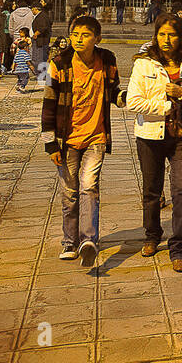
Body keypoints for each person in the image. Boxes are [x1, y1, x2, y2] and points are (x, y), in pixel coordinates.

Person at [127, 15, 182, 272]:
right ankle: (152, 235)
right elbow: (133, 101)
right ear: (156, 35)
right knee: (152, 192)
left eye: (172, 35)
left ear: (181, 37)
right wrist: (166, 107)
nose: (167, 40)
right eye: (162, 34)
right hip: (150, 134)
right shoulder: (144, 63)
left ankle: (178, 247)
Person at [42, 15, 121, 268]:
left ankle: (89, 241)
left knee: (89, 186)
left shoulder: (107, 60)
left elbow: (114, 90)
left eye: (85, 35)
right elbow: (48, 104)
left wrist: (128, 98)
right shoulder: (57, 64)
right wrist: (50, 144)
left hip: (96, 136)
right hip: (66, 140)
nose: (78, 39)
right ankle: (69, 241)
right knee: (69, 192)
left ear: (97, 38)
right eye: (75, 34)